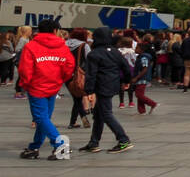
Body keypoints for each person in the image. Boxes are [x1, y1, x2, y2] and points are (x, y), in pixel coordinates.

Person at [16, 17, 76, 161]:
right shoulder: (62, 46)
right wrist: (61, 79)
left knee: (40, 117)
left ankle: (60, 144)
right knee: (44, 118)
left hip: (37, 86)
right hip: (54, 85)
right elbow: (69, 66)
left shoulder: (31, 46)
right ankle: (34, 146)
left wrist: (25, 83)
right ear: (55, 31)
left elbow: (25, 69)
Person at [78, 27, 134, 152]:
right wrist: (126, 81)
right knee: (99, 114)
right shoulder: (115, 52)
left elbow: (91, 74)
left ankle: (123, 139)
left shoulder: (94, 54)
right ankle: (94, 142)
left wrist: (89, 91)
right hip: (113, 85)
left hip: (100, 86)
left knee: (106, 114)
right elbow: (126, 67)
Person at [65, 29, 91, 129]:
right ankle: (83, 116)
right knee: (78, 97)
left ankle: (73, 122)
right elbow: (89, 59)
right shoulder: (84, 45)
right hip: (79, 74)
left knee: (76, 98)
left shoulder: (64, 44)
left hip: (66, 74)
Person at [131, 39, 158, 116]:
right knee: (140, 94)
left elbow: (145, 68)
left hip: (142, 78)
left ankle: (152, 104)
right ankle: (141, 111)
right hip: (141, 77)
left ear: (141, 50)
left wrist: (136, 77)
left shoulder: (144, 57)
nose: (135, 49)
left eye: (137, 48)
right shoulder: (141, 57)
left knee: (138, 94)